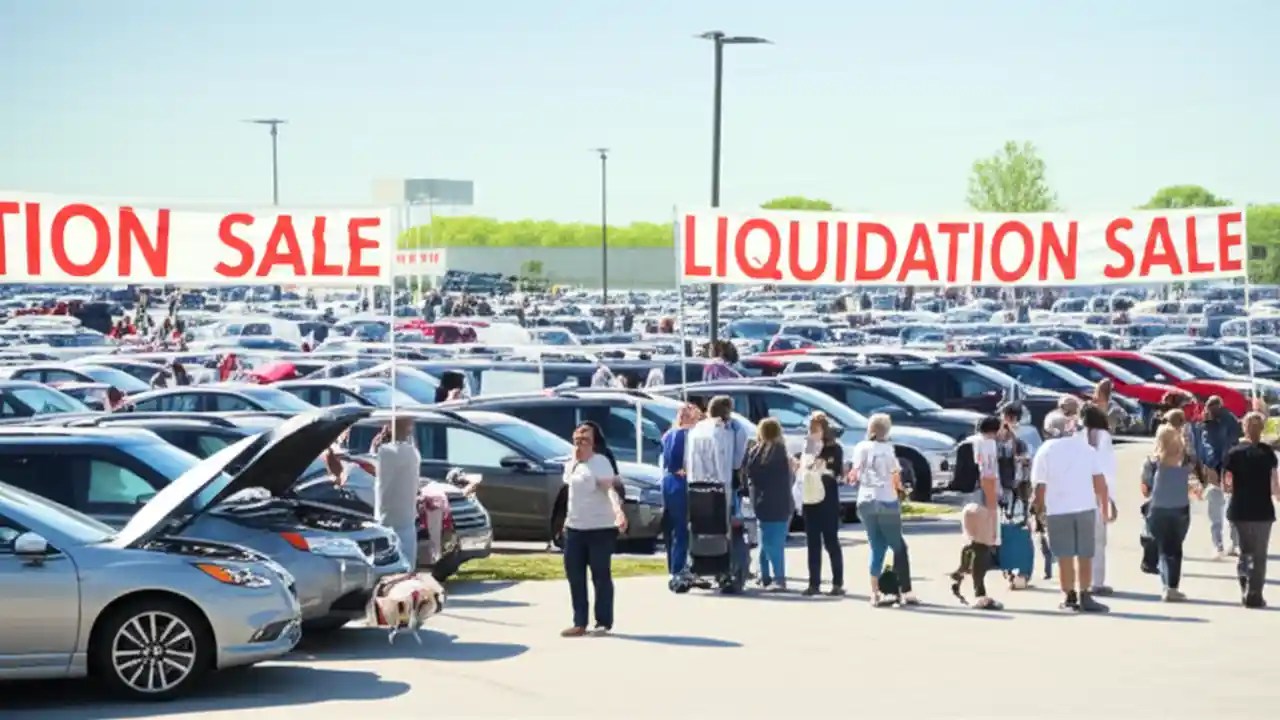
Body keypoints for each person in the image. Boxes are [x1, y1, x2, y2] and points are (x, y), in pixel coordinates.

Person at [1032, 411, 1111, 612]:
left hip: (1058, 509)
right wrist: (1104, 507)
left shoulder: (1045, 450)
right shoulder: (1086, 448)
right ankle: (1085, 594)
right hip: (1085, 507)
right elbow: (1100, 482)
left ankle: (1069, 596)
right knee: (1085, 554)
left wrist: (1037, 511)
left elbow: (1039, 487)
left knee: (1064, 555)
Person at [561, 423, 627, 637]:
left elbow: (610, 491)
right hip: (575, 527)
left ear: (594, 443)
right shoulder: (571, 463)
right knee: (575, 575)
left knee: (600, 574)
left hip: (600, 528)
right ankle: (579, 622)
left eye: (585, 440)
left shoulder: (600, 463)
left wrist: (619, 512)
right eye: (576, 440)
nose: (580, 444)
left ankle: (603, 621)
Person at [851, 413, 916, 606]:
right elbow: (894, 477)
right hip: (886, 499)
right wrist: (902, 490)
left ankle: (875, 592)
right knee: (899, 546)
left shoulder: (860, 447)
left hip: (865, 500)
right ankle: (905, 590)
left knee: (876, 546)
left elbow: (853, 475)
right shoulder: (888, 449)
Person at [1223, 411, 1280, 608]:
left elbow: (1227, 484)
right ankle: (1255, 593)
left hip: (1240, 509)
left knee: (1245, 551)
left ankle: (1245, 586)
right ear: (1262, 429)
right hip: (1263, 510)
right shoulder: (1268, 453)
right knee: (1260, 554)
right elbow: (1275, 484)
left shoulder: (1234, 453)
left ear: (1243, 428)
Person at [951, 416, 1002, 609]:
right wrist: (992, 508)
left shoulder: (967, 443)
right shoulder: (987, 445)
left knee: (971, 540)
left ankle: (961, 571)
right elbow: (987, 476)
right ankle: (979, 592)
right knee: (983, 547)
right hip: (982, 498)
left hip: (966, 499)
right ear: (995, 431)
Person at [1140, 423, 1195, 602]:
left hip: (1158, 509)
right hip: (1180, 509)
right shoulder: (1185, 460)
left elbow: (1145, 490)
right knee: (1175, 549)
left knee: (1163, 548)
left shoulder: (1152, 463)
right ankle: (1172, 586)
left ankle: (1166, 587)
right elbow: (1195, 482)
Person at [798, 412, 845, 596]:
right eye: (811, 428)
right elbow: (804, 468)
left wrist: (824, 467)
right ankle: (813, 583)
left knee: (831, 541)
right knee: (812, 543)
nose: (813, 431)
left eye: (816, 428)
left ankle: (837, 583)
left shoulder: (834, 448)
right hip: (810, 497)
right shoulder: (809, 445)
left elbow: (837, 472)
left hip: (828, 498)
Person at [744, 418, 793, 591]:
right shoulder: (779, 451)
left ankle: (764, 575)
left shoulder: (755, 451)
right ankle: (779, 577)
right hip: (779, 502)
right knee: (774, 542)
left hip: (760, 502)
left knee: (765, 540)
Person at [373, 417, 422, 571]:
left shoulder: (383, 452)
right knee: (406, 565)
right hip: (404, 515)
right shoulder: (410, 452)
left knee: (386, 567)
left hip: (386, 515)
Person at [1081, 404, 1118, 596]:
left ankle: (1081, 580)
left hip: (1077, 493)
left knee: (1080, 539)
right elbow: (1108, 468)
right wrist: (1111, 499)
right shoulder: (1103, 437)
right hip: (1097, 492)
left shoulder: (1076, 436)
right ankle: (1097, 581)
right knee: (1098, 540)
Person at [1200, 396, 1242, 558]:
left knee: (1231, 506)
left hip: (1228, 467)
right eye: (1208, 408)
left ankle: (1234, 543)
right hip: (1213, 468)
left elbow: (1232, 442)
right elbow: (1204, 447)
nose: (1210, 411)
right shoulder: (1206, 424)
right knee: (1214, 507)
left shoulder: (1228, 420)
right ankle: (1218, 544)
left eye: (1213, 408)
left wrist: (1226, 465)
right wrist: (1208, 467)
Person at [660, 404, 697, 581]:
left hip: (668, 482)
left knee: (673, 527)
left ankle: (674, 565)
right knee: (682, 527)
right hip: (679, 482)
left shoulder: (668, 434)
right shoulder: (683, 434)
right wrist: (680, 470)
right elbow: (675, 460)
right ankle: (679, 567)